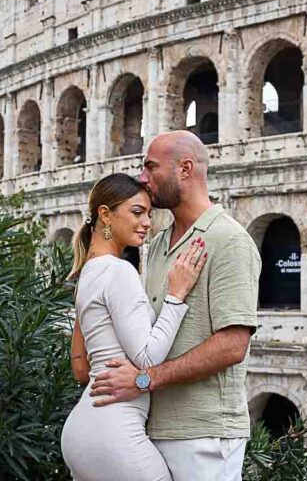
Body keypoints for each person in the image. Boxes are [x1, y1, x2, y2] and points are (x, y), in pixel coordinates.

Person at [89, 131, 262, 481]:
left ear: (185, 169)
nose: (142, 178)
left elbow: (233, 345)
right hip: (152, 428)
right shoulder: (156, 244)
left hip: (204, 433)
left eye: (151, 167)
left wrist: (144, 379)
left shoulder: (229, 240)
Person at [60, 172, 208, 481]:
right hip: (114, 433)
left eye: (149, 214)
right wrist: (176, 295)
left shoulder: (88, 272)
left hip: (80, 432)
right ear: (105, 214)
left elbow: (80, 369)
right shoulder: (118, 271)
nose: (147, 223)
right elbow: (147, 357)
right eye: (137, 212)